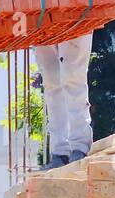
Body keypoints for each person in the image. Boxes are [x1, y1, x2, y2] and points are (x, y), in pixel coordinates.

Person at [34, 33, 94, 169]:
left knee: (73, 76)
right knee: (51, 81)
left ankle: (80, 146)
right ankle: (60, 152)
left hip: (74, 15)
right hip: (42, 18)